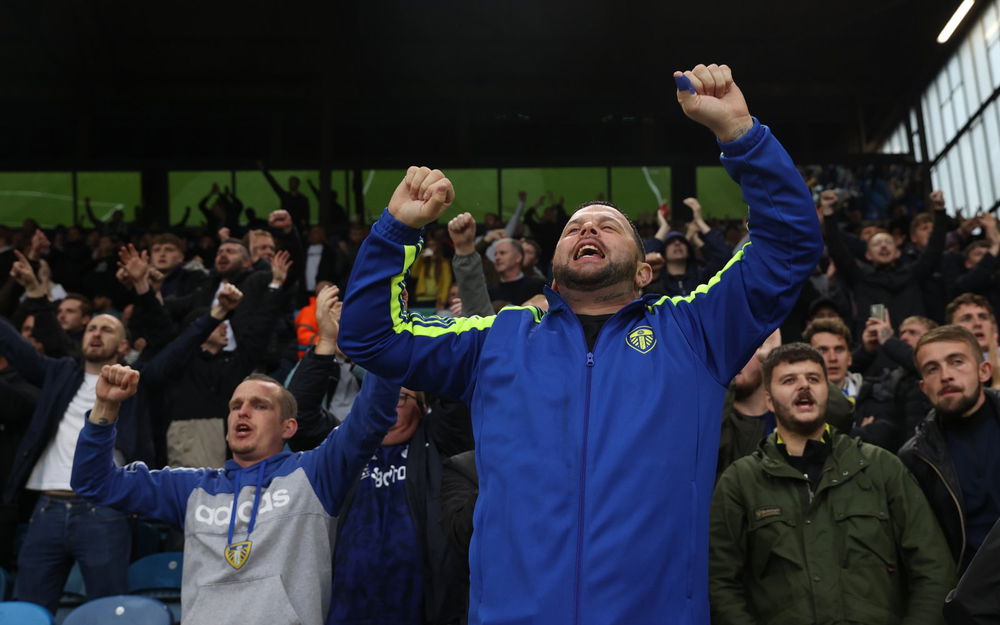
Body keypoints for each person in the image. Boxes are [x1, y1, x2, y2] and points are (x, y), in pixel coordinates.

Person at [339, 63, 823, 624]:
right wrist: (395, 229)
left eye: (608, 225)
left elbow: (788, 246)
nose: (587, 228)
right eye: (574, 227)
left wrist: (741, 134)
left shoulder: (695, 332)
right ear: (554, 268)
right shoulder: (497, 341)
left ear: (644, 271)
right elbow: (371, 337)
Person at [71, 353, 399, 624]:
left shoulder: (316, 472)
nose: (243, 411)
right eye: (235, 405)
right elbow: (94, 482)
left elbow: (373, 414)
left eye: (260, 405)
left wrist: (379, 337)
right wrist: (105, 407)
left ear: (288, 427)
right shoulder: (191, 488)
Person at [710, 343, 955, 625]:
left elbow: (933, 567)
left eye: (813, 379)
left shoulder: (881, 467)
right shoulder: (741, 481)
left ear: (829, 392)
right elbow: (720, 583)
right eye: (789, 380)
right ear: (769, 401)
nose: (804, 386)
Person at [899, 325, 1000, 573]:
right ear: (924, 387)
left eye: (957, 362)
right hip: (969, 588)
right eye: (932, 369)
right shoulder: (916, 458)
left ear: (984, 370)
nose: (945, 375)